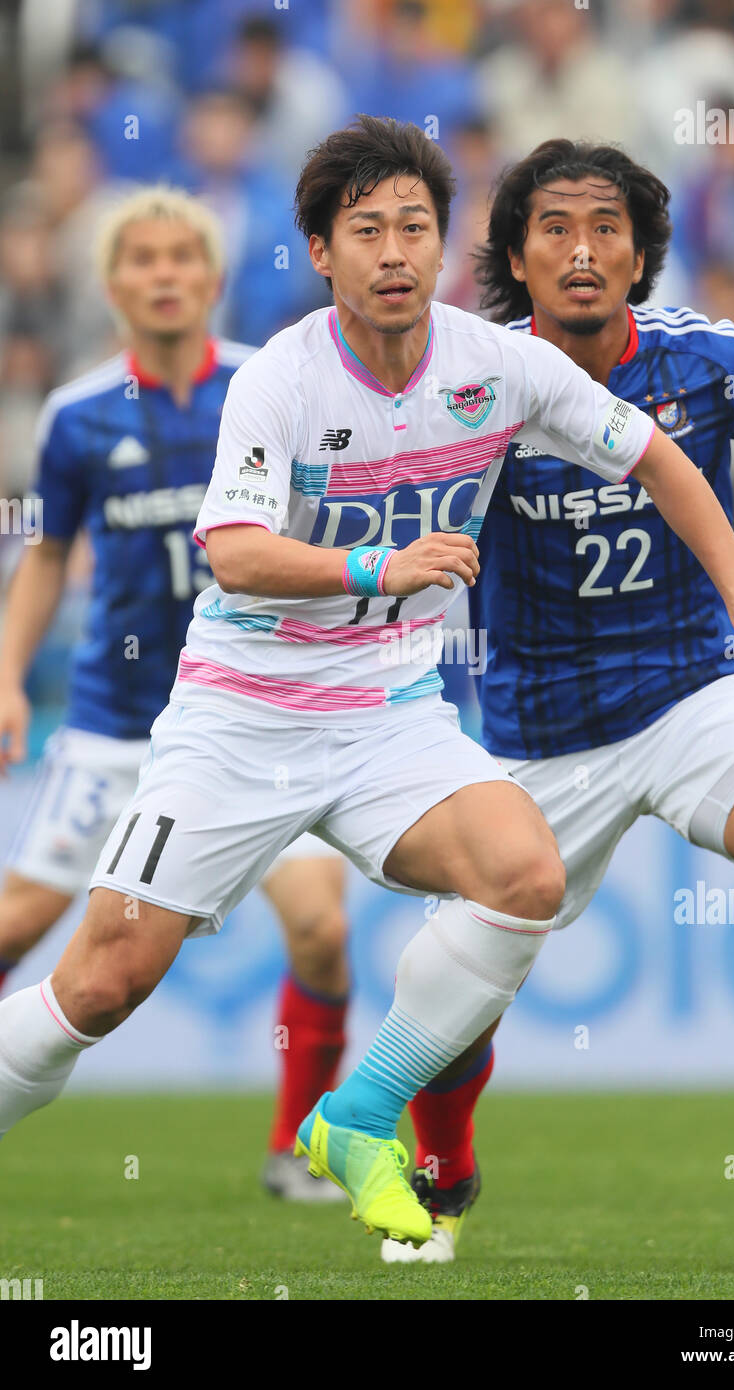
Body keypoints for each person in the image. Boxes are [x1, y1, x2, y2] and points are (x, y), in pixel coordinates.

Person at [0, 118, 734, 1252]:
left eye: (414, 229)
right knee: (99, 985)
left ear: (441, 248)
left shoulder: (493, 366)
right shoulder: (281, 382)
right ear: (317, 253)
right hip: (241, 718)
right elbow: (235, 551)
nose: (393, 253)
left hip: (392, 713)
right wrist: (374, 567)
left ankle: (354, 1113)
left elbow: (654, 454)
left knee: (519, 871)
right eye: (365, 232)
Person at [383, 138, 734, 1262]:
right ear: (513, 254)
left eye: (605, 226)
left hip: (692, 691)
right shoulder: (468, 382)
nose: (581, 249)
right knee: (455, 1002)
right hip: (537, 739)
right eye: (552, 227)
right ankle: (442, 1160)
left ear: (642, 251)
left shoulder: (706, 361)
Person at [0, 184, 347, 1203]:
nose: (162, 274)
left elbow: (318, 536)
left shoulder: (271, 390)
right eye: (141, 259)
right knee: (21, 925)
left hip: (257, 715)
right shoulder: (75, 415)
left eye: (180, 257)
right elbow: (49, 555)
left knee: (322, 928)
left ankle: (294, 1150)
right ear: (112, 285)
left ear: (211, 276)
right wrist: (9, 675)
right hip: (117, 721)